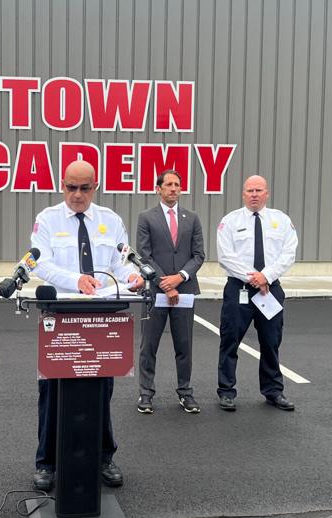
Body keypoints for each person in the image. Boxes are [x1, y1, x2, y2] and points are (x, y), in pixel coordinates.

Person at [29, 160, 145, 492]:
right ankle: (47, 463)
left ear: (95, 187)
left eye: (84, 188)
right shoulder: (47, 220)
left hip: (102, 317)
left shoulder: (111, 220)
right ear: (61, 185)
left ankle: (103, 457)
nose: (77, 195)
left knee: (100, 390)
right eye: (71, 187)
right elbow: (42, 263)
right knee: (52, 392)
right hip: (61, 316)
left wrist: (132, 277)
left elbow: (120, 263)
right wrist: (76, 280)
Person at [216, 175, 298, 412]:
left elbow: (288, 253)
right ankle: (226, 391)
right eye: (250, 190)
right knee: (230, 341)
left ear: (267, 193)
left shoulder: (280, 220)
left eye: (258, 190)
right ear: (243, 194)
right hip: (238, 289)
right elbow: (225, 256)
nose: (254, 194)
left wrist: (267, 276)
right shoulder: (230, 221)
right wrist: (254, 277)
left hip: (270, 289)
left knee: (271, 342)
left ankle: (273, 391)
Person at [135, 170, 205, 414]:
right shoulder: (146, 218)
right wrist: (165, 282)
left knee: (184, 345)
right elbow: (144, 255)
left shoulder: (192, 218)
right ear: (158, 189)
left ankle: (185, 393)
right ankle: (146, 394)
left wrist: (180, 278)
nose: (174, 188)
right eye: (169, 184)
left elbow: (199, 255)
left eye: (177, 185)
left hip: (184, 291)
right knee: (149, 345)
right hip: (156, 291)